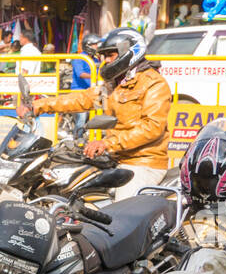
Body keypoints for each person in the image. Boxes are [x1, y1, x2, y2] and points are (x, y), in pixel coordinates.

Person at [21, 27, 172, 197]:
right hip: (114, 158)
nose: (106, 61)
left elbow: (152, 127)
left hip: (142, 162)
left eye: (110, 55)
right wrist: (37, 106)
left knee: (122, 213)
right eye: (103, 56)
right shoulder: (116, 84)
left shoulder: (153, 83)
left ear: (130, 51)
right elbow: (81, 99)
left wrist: (107, 143)